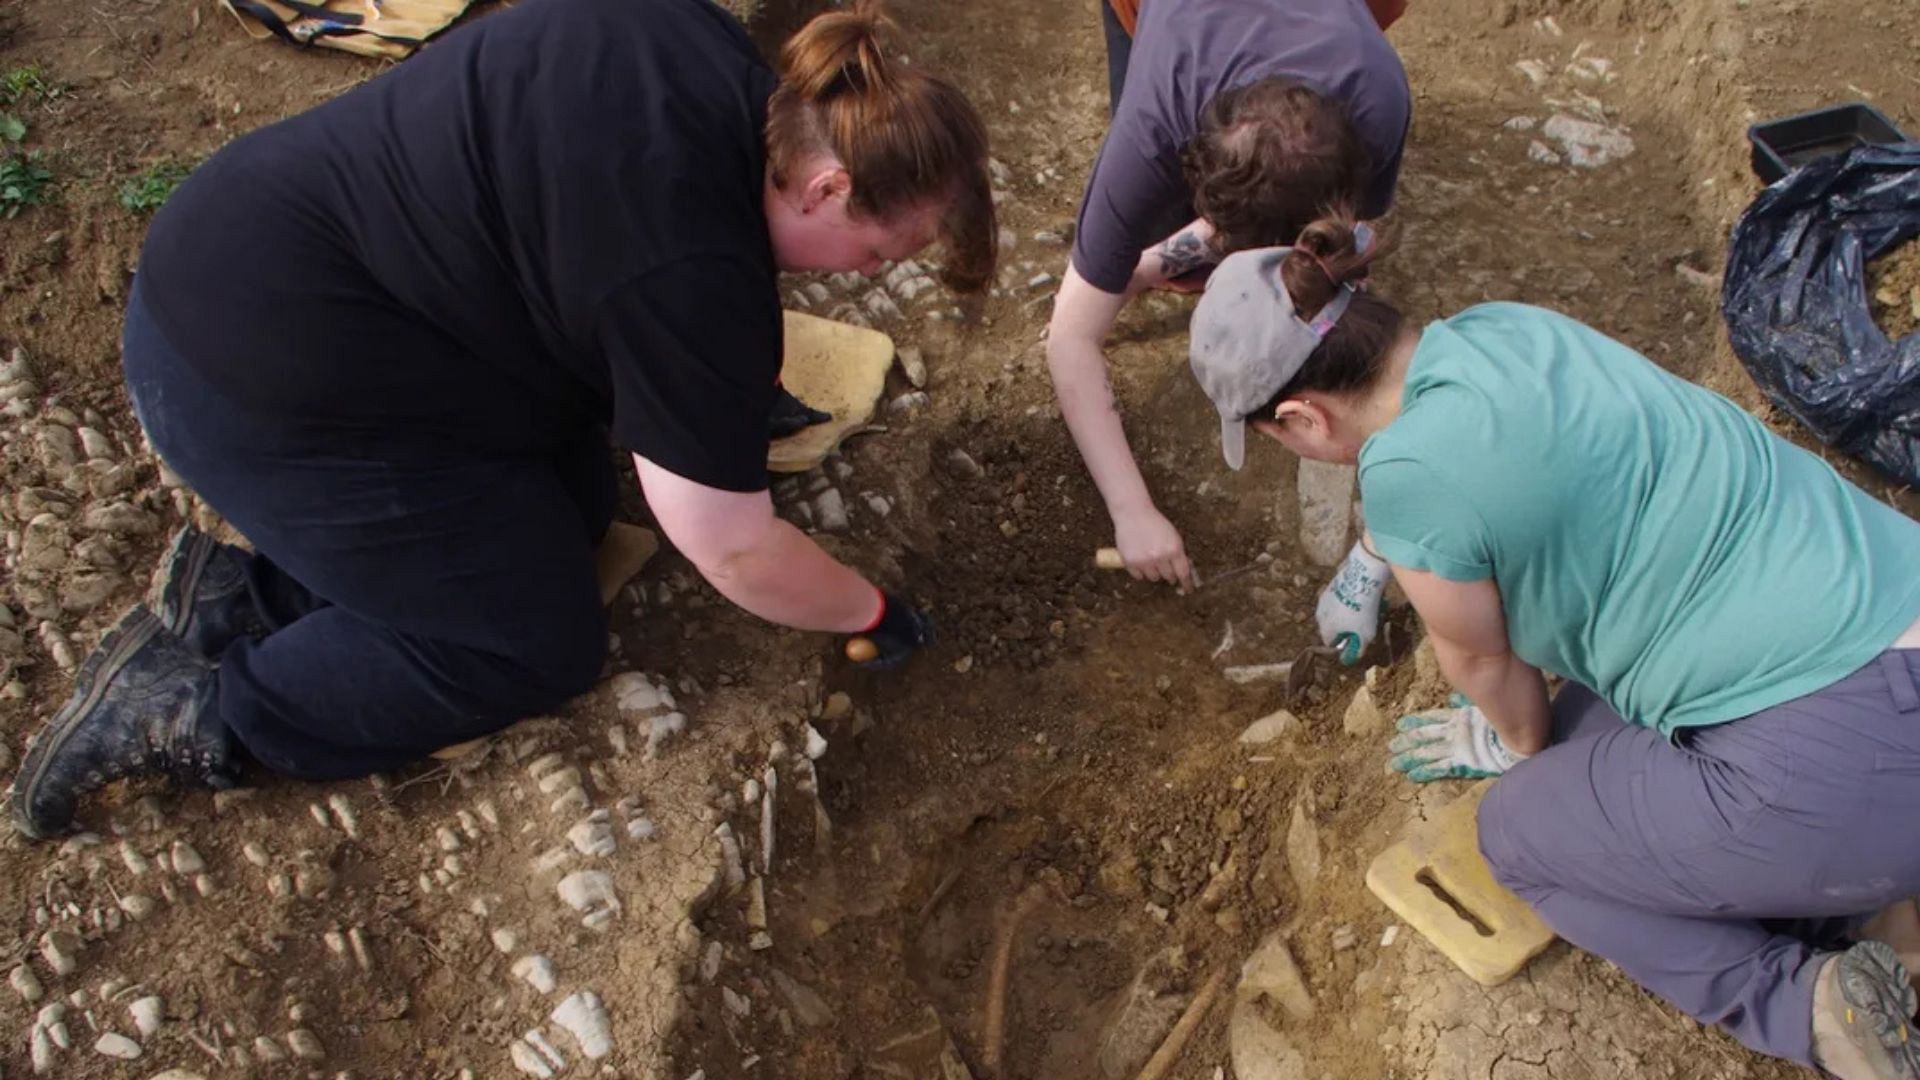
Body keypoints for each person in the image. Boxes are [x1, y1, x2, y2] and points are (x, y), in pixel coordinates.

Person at [10, 0, 996, 839]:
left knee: (573, 509)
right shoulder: (690, 278)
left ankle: (244, 596)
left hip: (265, 253)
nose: (866, 275)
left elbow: (605, 241)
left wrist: (716, 394)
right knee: (528, 642)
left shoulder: (687, 35)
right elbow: (732, 549)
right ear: (828, 186)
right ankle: (196, 711)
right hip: (251, 386)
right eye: (878, 254)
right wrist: (868, 611)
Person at [1186, 221, 1920, 1077]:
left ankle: (1815, 1008)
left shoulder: (1407, 483)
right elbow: (1489, 472)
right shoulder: (1506, 330)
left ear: (1300, 417)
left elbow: (1484, 666)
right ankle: (1861, 890)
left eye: (1275, 438)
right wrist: (1381, 557)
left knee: (1521, 833)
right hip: (1883, 614)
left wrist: (1509, 740)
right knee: (1584, 738)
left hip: (1857, 751)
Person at [1048, 0, 1409, 600]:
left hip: (1327, 39)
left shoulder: (1379, 99)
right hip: (1171, 23)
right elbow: (1069, 338)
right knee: (1147, 229)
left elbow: (1355, 237)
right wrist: (1132, 511)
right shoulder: (1151, 132)